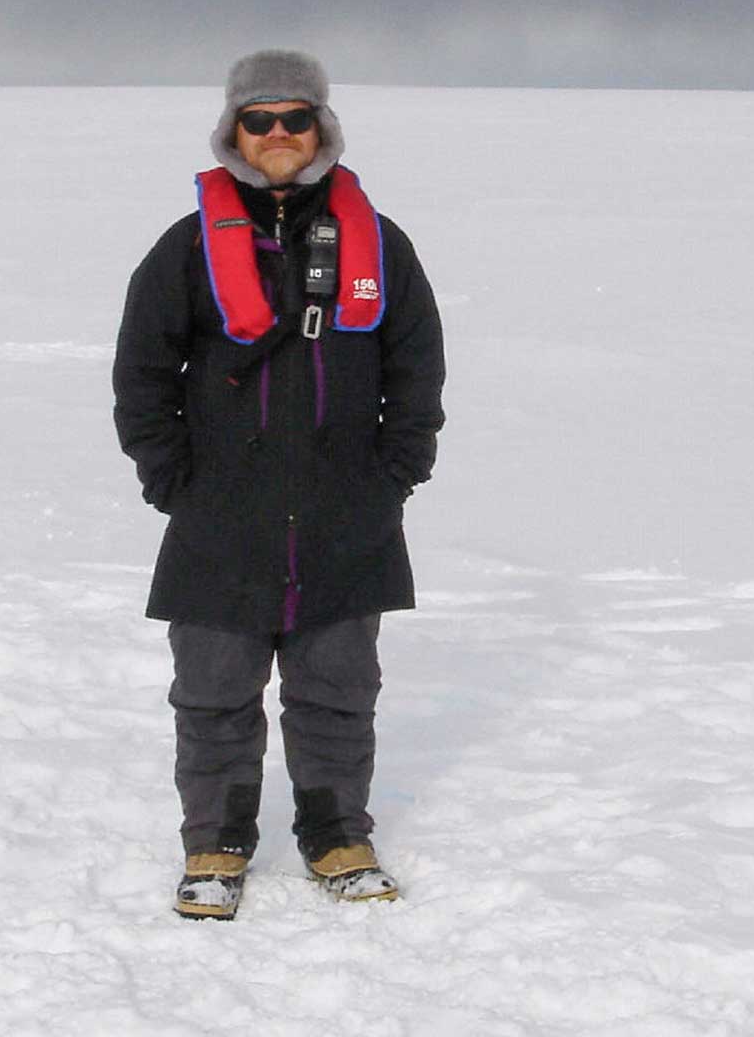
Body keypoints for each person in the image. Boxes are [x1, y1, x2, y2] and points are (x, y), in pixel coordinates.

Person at [112, 49, 445, 920]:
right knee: (214, 689)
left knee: (337, 688)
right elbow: (141, 373)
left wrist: (396, 474)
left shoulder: (383, 243)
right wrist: (170, 477)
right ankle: (216, 844)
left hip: (347, 508)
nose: (278, 135)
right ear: (234, 132)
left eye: (295, 118)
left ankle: (337, 833)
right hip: (220, 510)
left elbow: (417, 370)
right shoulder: (188, 246)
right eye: (259, 121)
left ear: (321, 127)